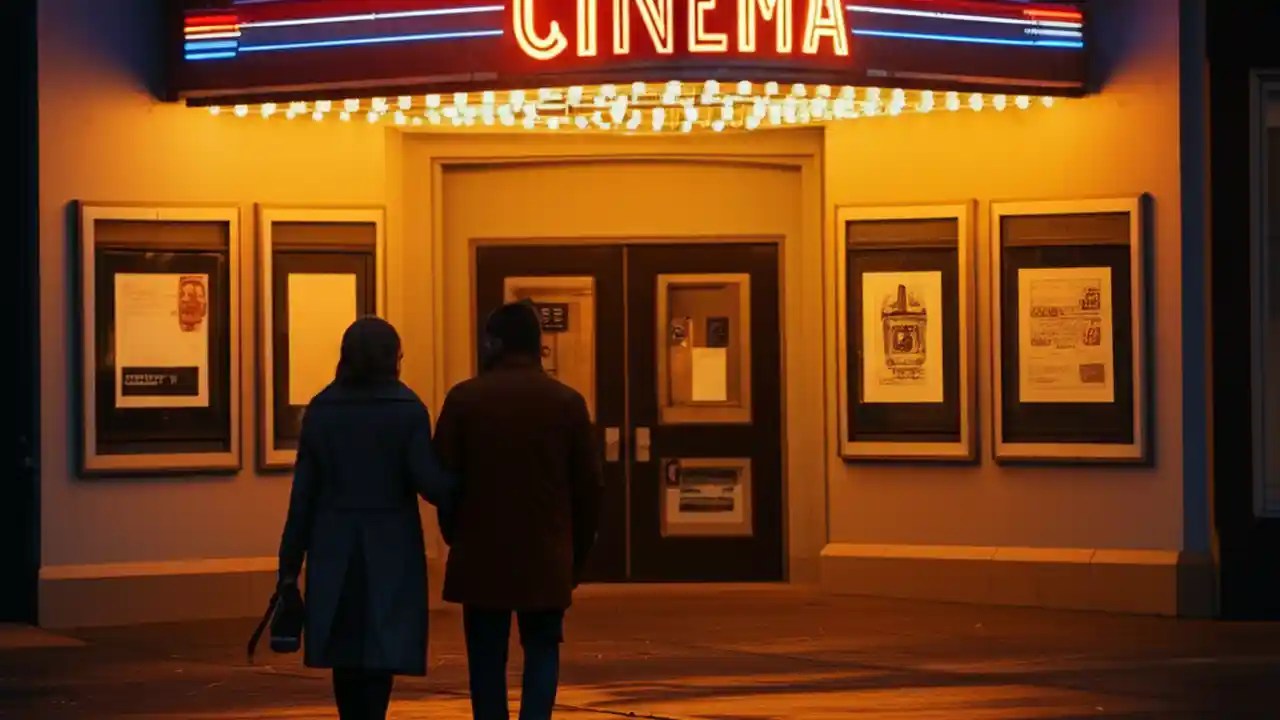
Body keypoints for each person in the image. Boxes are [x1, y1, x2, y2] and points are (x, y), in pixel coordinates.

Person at [277, 316, 455, 720]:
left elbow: (302, 495)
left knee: (345, 653)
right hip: (391, 544)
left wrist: (288, 566)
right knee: (381, 648)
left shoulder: (322, 409)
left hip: (333, 543)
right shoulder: (407, 409)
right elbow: (430, 483)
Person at [434, 301, 603, 720]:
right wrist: (575, 557)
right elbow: (590, 488)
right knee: (543, 648)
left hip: (481, 553)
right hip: (545, 554)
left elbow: (442, 480)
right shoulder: (567, 403)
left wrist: (456, 533)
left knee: (486, 658)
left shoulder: (464, 399)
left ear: (493, 343)